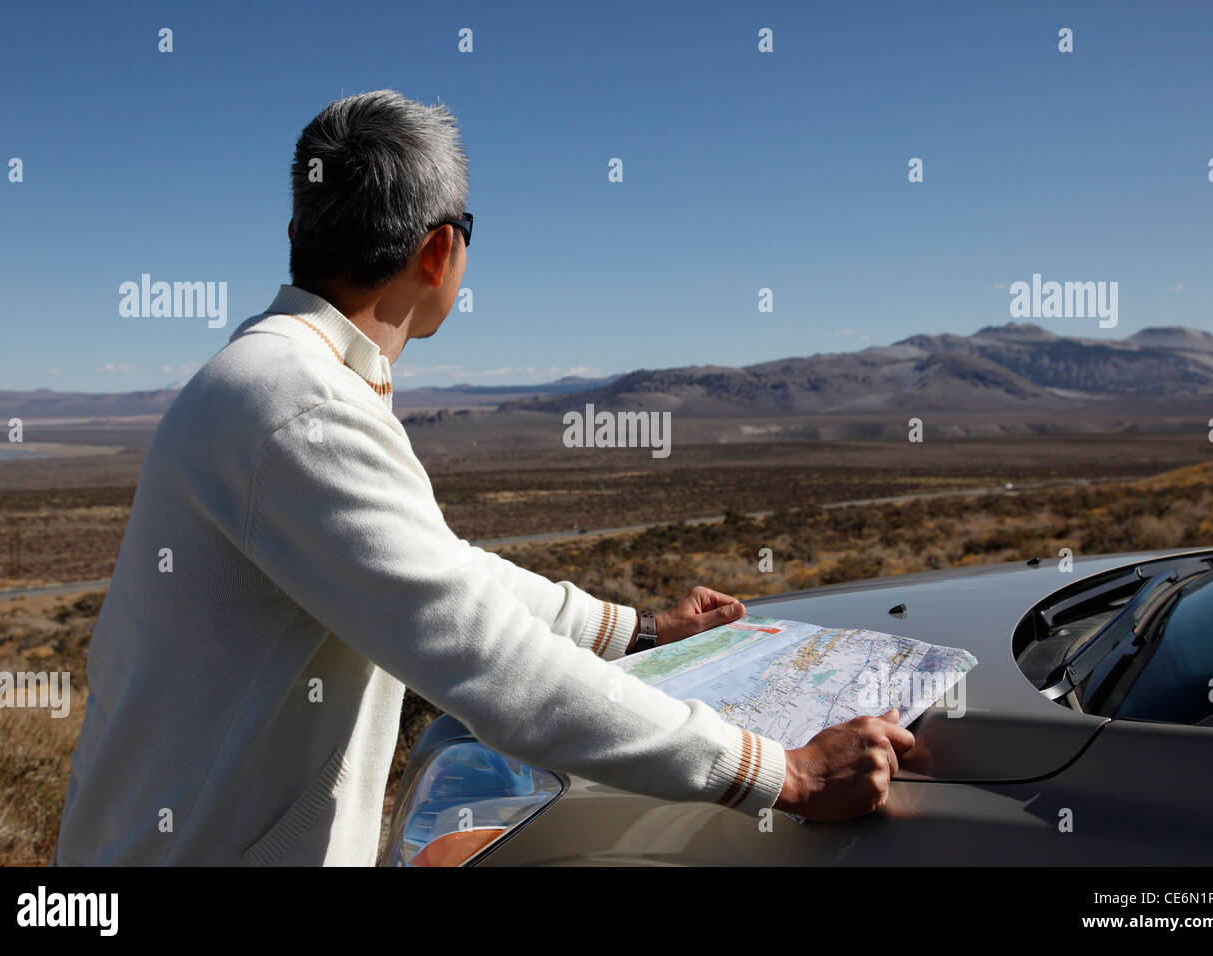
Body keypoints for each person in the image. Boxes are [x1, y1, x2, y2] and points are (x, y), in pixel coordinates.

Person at [54, 90, 913, 866]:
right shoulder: (300, 407)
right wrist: (783, 773)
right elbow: (491, 663)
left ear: (297, 236)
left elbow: (441, 571)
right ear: (440, 253)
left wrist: (635, 631)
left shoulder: (281, 382)